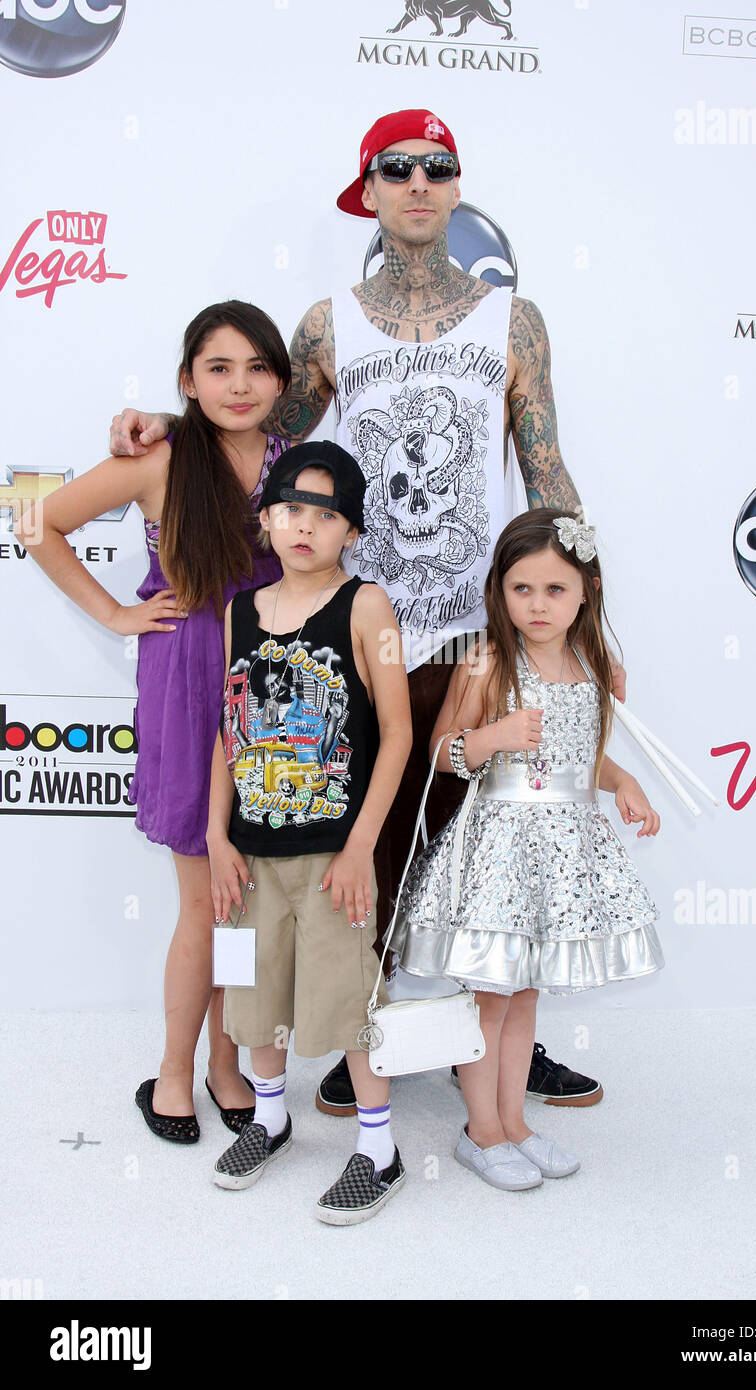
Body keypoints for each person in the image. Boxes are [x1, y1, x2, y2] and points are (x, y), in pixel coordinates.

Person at [108, 108, 620, 1113]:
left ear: (456, 185)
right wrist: (161, 430)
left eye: (437, 167)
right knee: (369, 853)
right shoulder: (323, 324)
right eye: (398, 168)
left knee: (503, 848)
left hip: (482, 638)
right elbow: (258, 434)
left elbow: (544, 465)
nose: (419, 183)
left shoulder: (512, 321)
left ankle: (509, 1044)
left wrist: (575, 603)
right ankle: (361, 1050)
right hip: (364, 625)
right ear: (368, 192)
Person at [15, 301, 292, 1143]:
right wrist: (114, 614)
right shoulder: (161, 460)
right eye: (218, 368)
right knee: (205, 900)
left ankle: (225, 1060)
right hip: (190, 673)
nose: (239, 385)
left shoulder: (301, 460)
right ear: (187, 381)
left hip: (276, 684)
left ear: (283, 380)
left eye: (256, 368)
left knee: (250, 901)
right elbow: (41, 523)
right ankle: (175, 1070)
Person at [388, 510, 664, 1189]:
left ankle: (513, 1124)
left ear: (586, 592)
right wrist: (494, 737)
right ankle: (480, 1134)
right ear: (499, 591)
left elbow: (582, 754)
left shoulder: (589, 664)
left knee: (526, 995)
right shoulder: (487, 659)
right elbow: (442, 753)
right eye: (522, 590)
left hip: (564, 854)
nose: (538, 606)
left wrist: (623, 780)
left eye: (554, 590)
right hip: (502, 847)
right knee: (490, 994)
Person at [206, 442, 411, 1222]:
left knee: (348, 1000)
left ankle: (379, 1150)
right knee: (254, 996)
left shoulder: (368, 607)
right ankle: (269, 1118)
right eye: (291, 508)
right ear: (267, 518)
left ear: (350, 531)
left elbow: (395, 732)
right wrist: (217, 837)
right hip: (251, 855)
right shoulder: (240, 610)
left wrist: (360, 846)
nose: (305, 526)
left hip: (331, 854)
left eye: (325, 515)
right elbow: (229, 731)